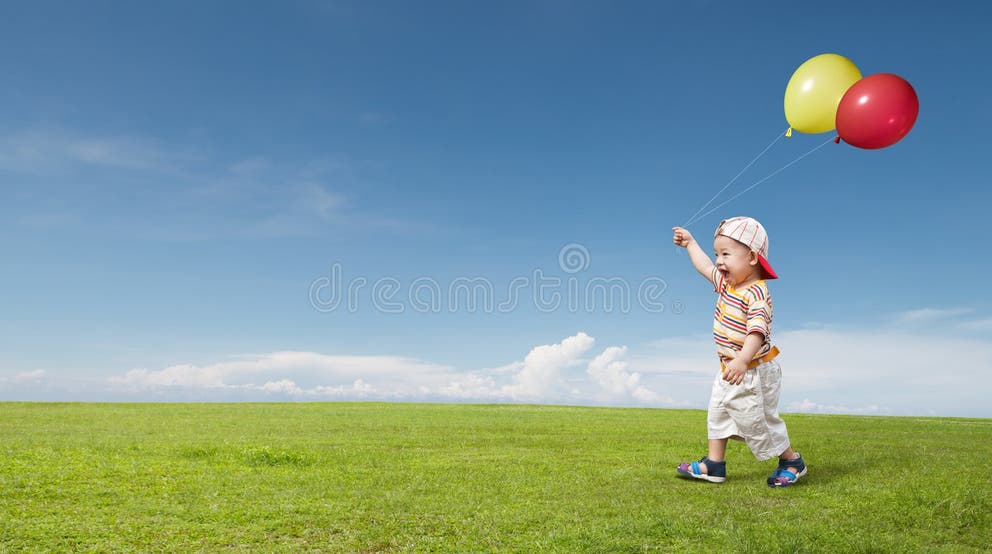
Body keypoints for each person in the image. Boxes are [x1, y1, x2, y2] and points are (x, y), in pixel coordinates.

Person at [671, 216, 806, 487]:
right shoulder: (728, 285)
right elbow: (705, 268)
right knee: (718, 414)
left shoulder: (757, 293)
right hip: (729, 369)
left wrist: (743, 360)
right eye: (717, 253)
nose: (719, 261)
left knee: (759, 421)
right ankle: (715, 464)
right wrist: (690, 244)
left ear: (753, 258)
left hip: (753, 371)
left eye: (726, 254)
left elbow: (757, 331)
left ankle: (791, 461)